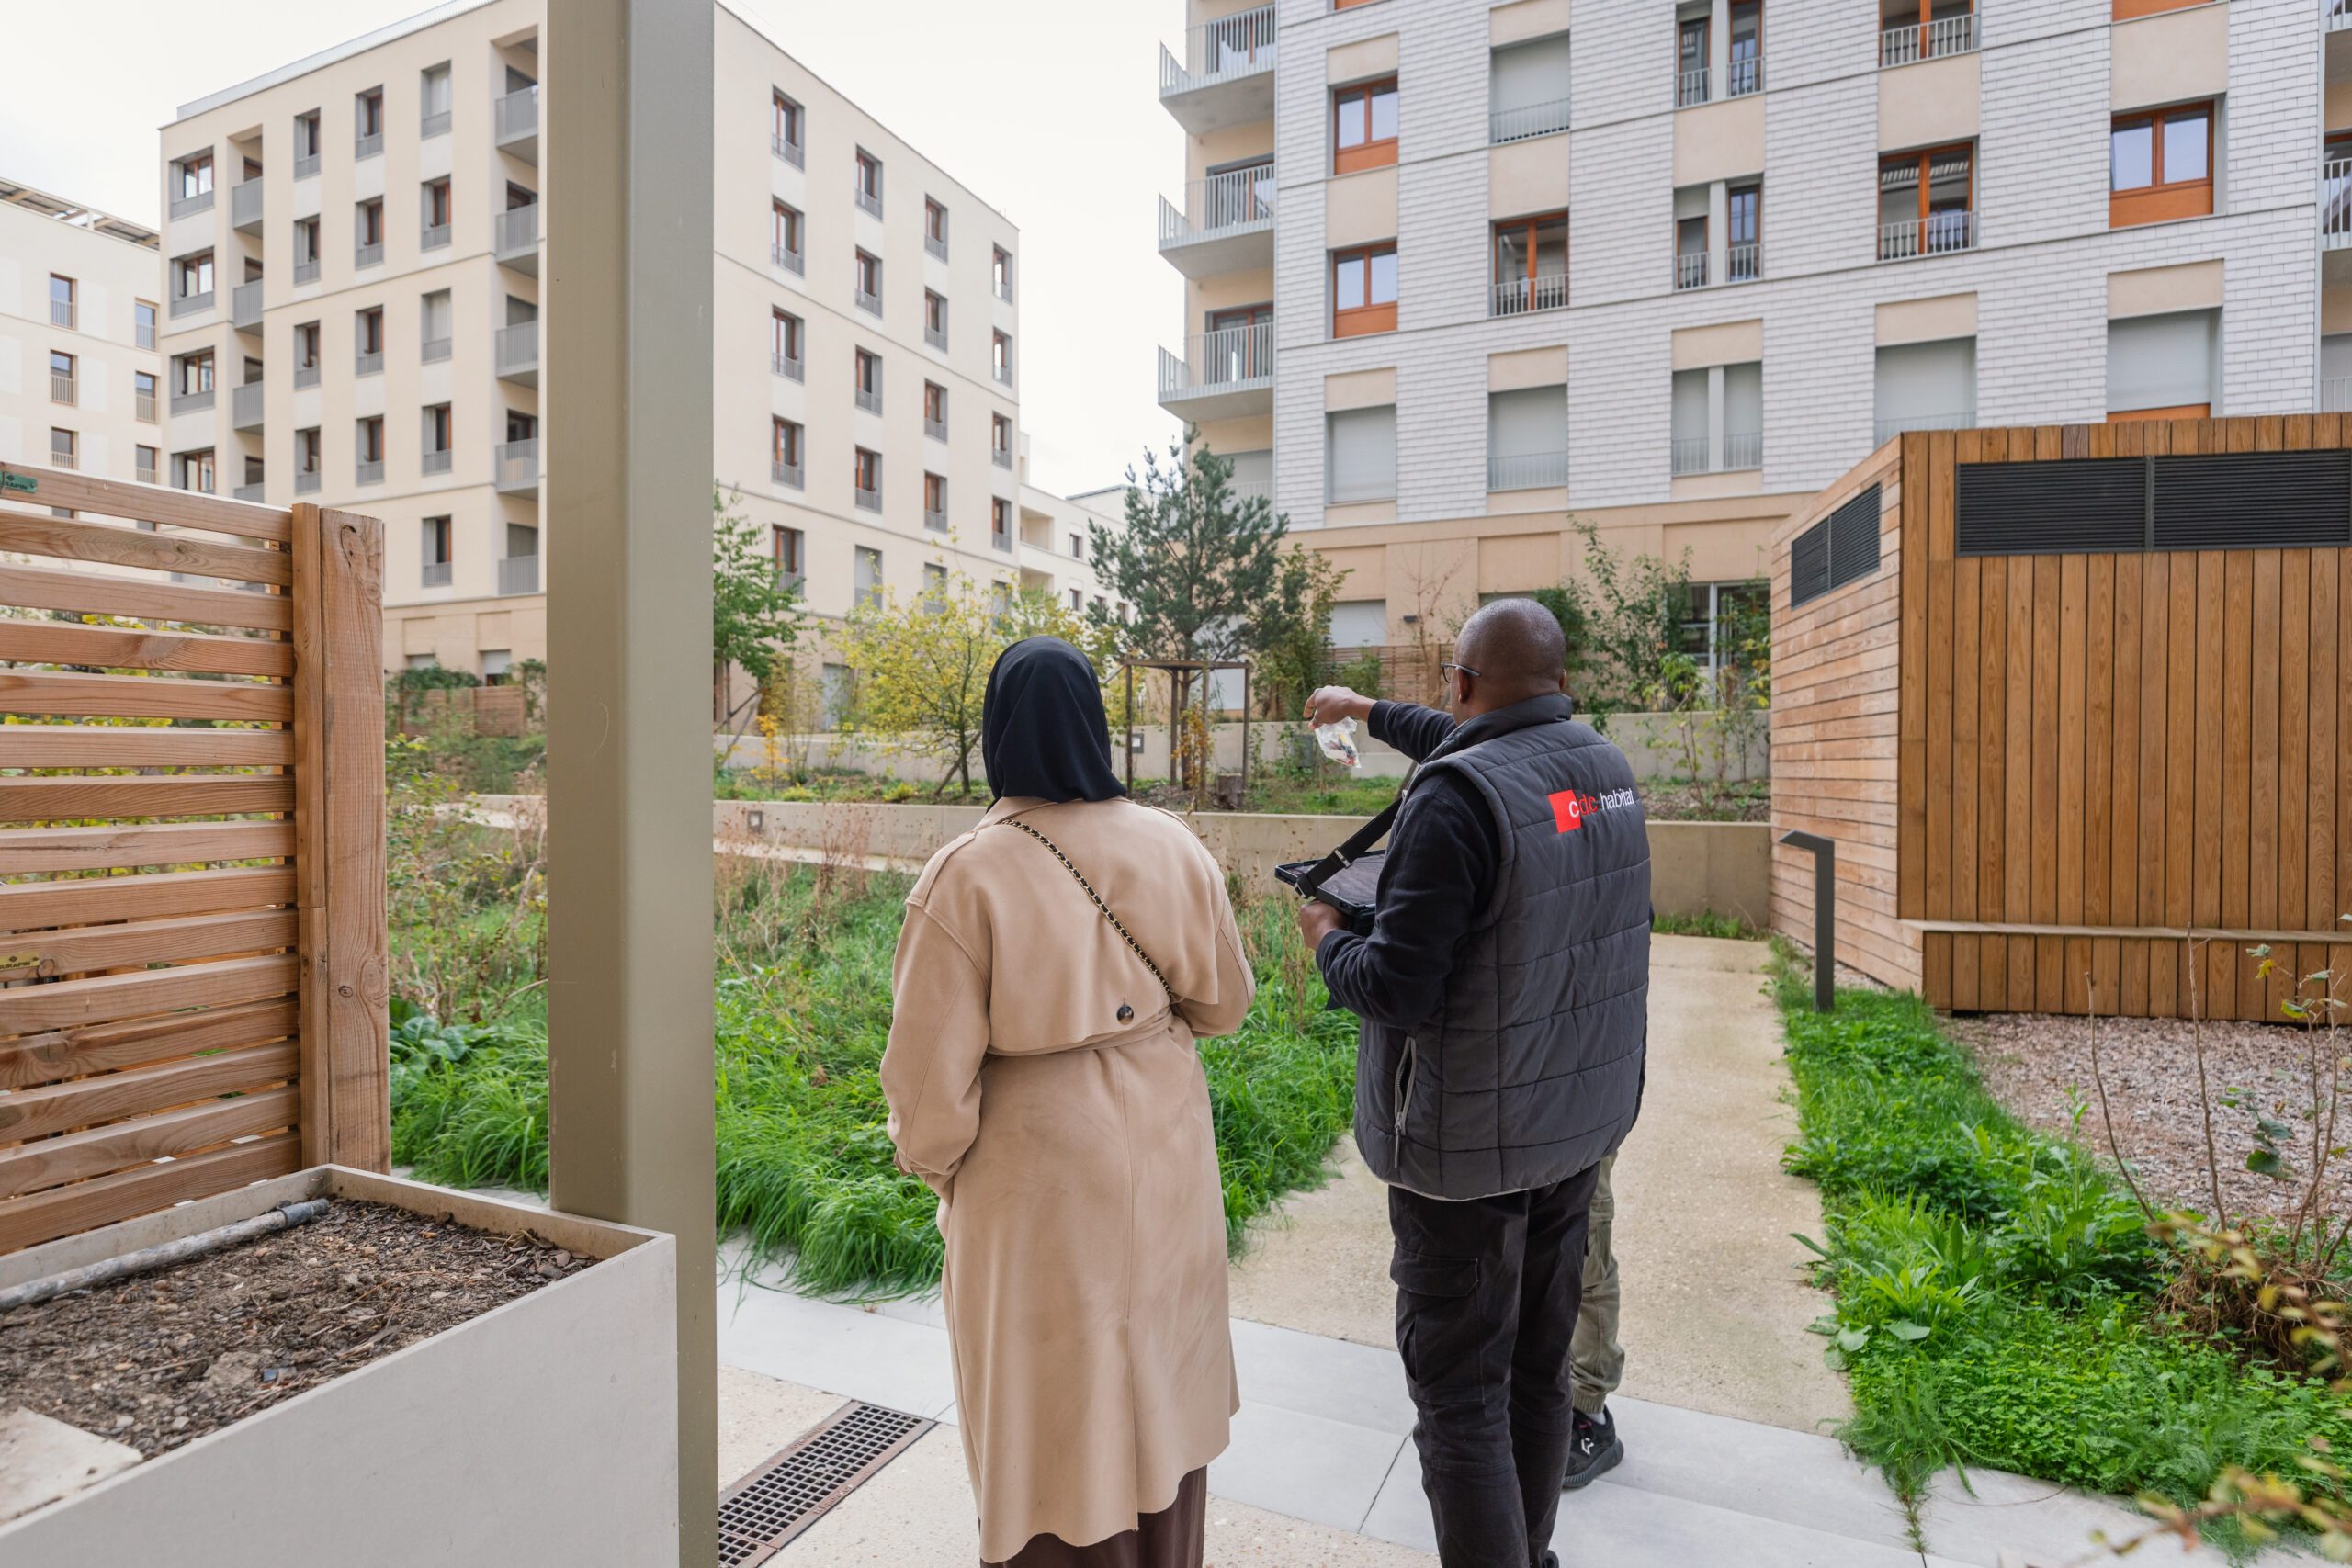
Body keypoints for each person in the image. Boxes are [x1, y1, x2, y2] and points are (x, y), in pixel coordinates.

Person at [881, 636, 1258, 1568]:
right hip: (1166, 1149)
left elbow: (926, 1095)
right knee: (1160, 1386)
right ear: (1096, 721)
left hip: (1034, 1180)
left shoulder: (965, 874)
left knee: (1049, 1410)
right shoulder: (1171, 843)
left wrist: (942, 1176)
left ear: (997, 729)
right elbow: (1225, 1005)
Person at [1297, 599, 1649, 1568]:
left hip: (1467, 1157)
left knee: (1459, 1398)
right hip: (1573, 1128)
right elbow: (1481, 750)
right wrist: (1367, 710)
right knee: (1536, 1373)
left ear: (1459, 682)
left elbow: (1395, 988)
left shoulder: (1455, 800)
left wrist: (1327, 937)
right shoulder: (1604, 771)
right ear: (1560, 678)